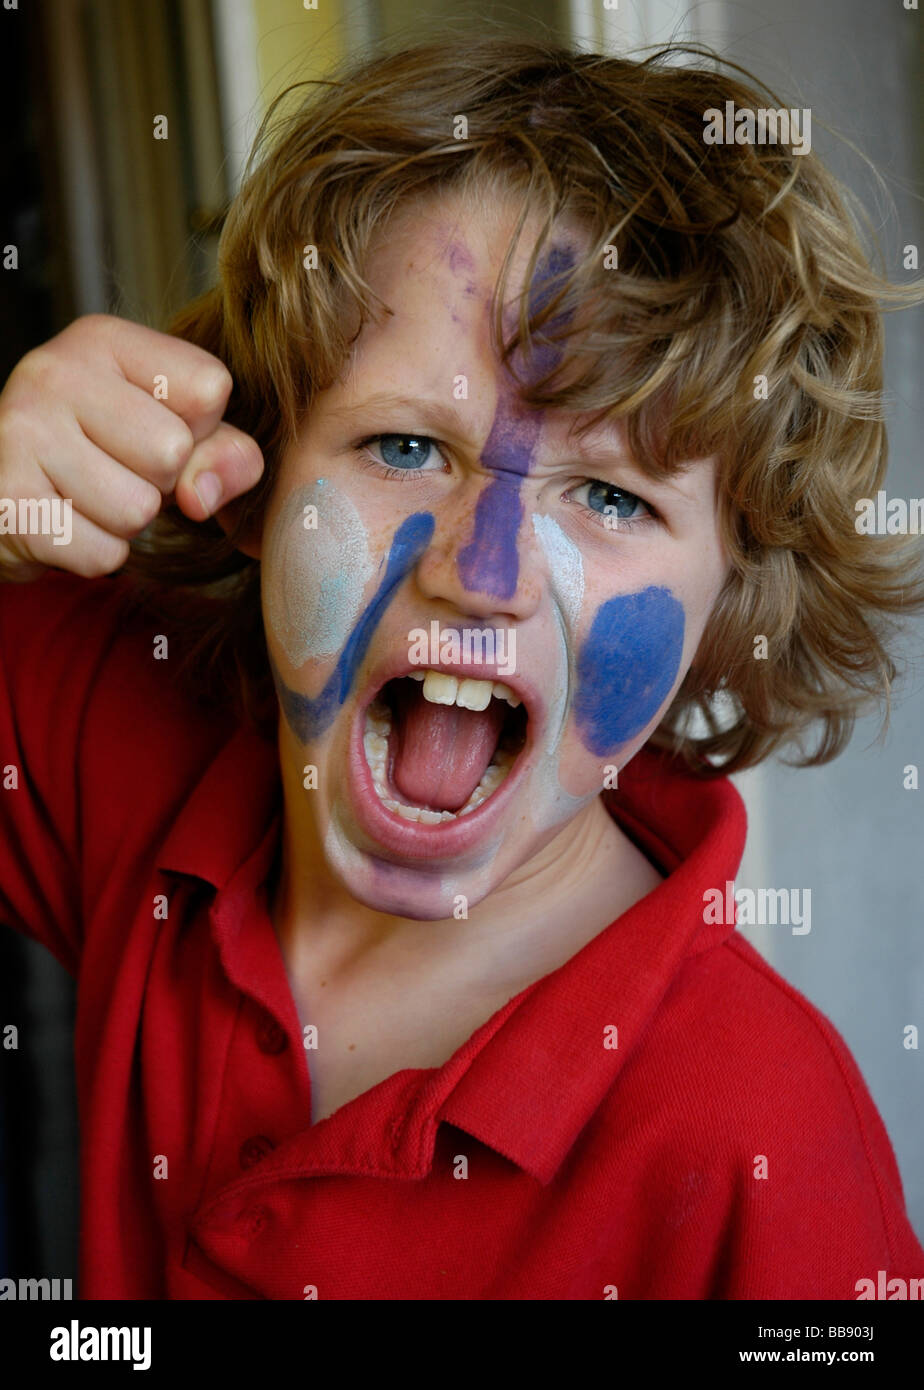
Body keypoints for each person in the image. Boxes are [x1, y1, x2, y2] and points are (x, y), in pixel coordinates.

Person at [1, 35, 922, 1300]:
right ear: (247, 480)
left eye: (609, 493)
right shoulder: (128, 728)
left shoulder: (761, 1136)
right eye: (400, 446)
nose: (481, 574)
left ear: (731, 602)